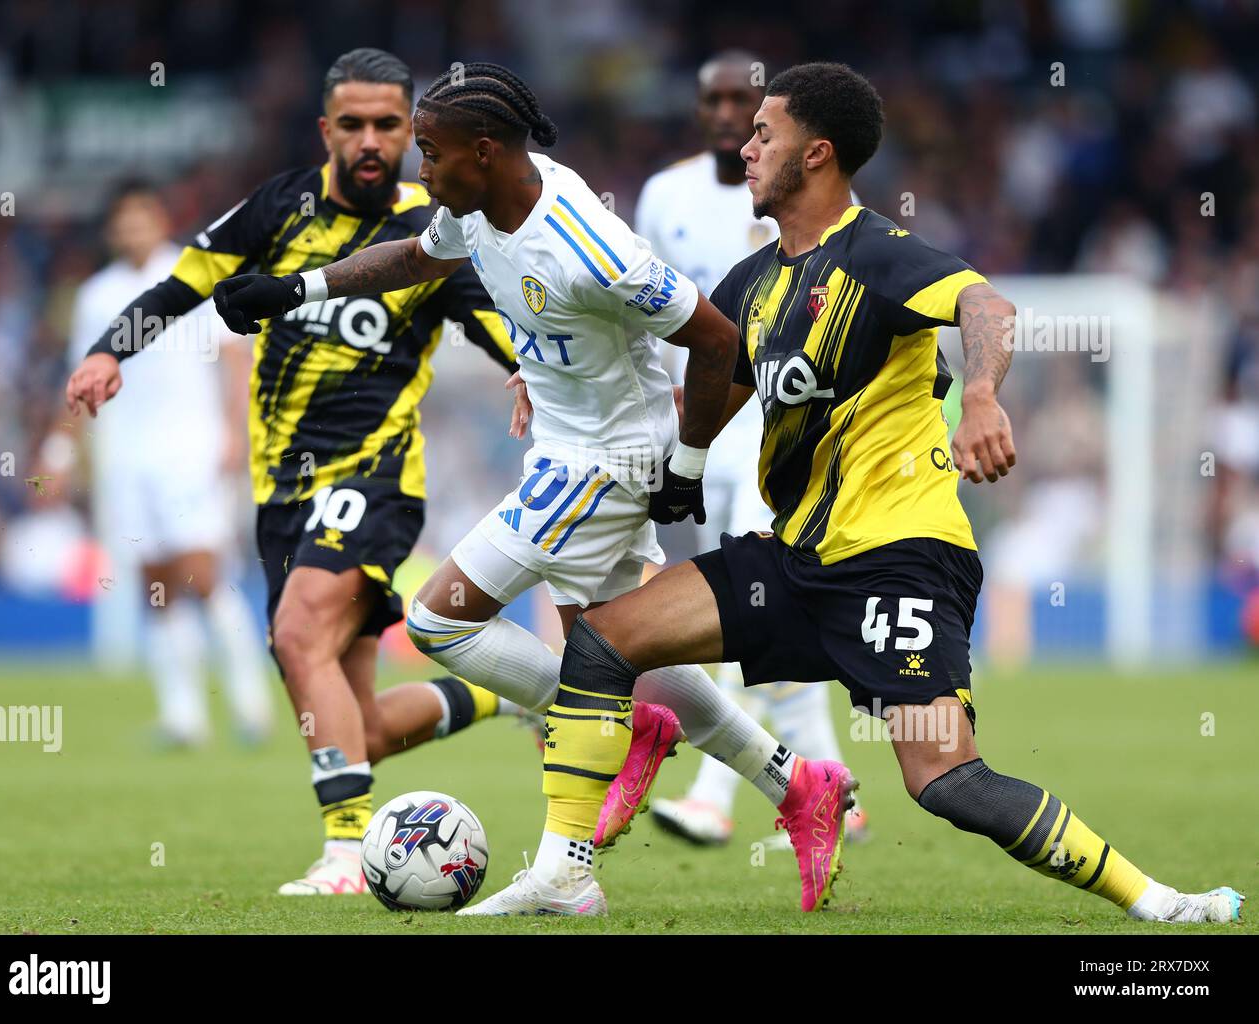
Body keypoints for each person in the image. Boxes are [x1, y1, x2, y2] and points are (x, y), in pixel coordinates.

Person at [547, 61, 1244, 922]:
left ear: (818, 154)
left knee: (946, 781)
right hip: (795, 561)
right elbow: (711, 383)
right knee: (605, 642)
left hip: (899, 564)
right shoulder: (752, 284)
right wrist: (676, 464)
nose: (745, 143)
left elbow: (985, 306)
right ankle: (564, 874)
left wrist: (980, 394)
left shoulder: (877, 253)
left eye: (765, 131)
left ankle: (1161, 904)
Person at [211, 61, 852, 918]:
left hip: (608, 461)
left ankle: (569, 864)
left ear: (482, 152)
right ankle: (798, 782)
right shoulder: (478, 204)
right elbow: (412, 258)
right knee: (625, 654)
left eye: (429, 153)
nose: (419, 170)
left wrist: (688, 463)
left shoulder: (587, 244)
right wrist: (299, 288)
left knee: (442, 619)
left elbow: (718, 338)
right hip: (562, 446)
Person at [65, 49, 532, 897]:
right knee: (367, 728)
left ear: (412, 131)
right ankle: (520, 696)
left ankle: (347, 851)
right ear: (326, 129)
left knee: (292, 631)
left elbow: (500, 320)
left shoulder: (436, 225)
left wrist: (535, 366)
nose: (369, 139)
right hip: (284, 493)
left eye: (388, 125)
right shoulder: (278, 208)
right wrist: (107, 352)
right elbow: (182, 288)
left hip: (378, 477)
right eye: (351, 123)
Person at [636, 51, 868, 848]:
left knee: (749, 597)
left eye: (748, 101)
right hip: (696, 425)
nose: (732, 113)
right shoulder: (664, 194)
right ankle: (836, 786)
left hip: (773, 426)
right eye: (717, 99)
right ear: (699, 108)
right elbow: (636, 301)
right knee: (762, 607)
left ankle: (711, 790)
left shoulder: (803, 193)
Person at [65, 180, 271, 747]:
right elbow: (82, 376)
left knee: (202, 574)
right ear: (113, 228)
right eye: (123, 220)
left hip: (191, 447)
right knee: (154, 582)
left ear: (159, 220)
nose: (133, 229)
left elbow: (235, 358)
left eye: (142, 218)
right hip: (126, 456)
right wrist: (68, 452)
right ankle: (184, 716)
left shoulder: (188, 279)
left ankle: (251, 704)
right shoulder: (95, 296)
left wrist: (235, 432)